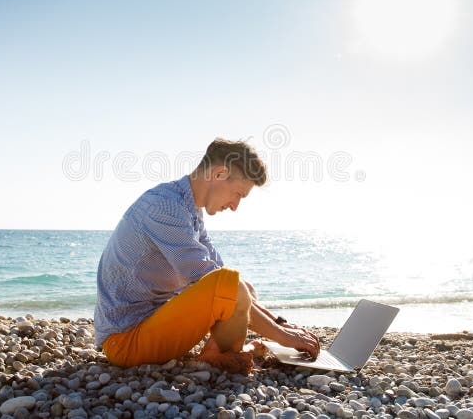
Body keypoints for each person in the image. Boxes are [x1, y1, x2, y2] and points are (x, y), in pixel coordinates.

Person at [94, 138, 320, 373]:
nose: (235, 206)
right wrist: (283, 336)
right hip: (127, 342)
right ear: (220, 174)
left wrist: (281, 324)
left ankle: (216, 354)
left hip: (154, 323)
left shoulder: (190, 209)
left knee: (244, 287)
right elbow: (220, 284)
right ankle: (220, 355)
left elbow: (224, 279)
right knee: (231, 285)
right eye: (238, 194)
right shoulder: (164, 206)